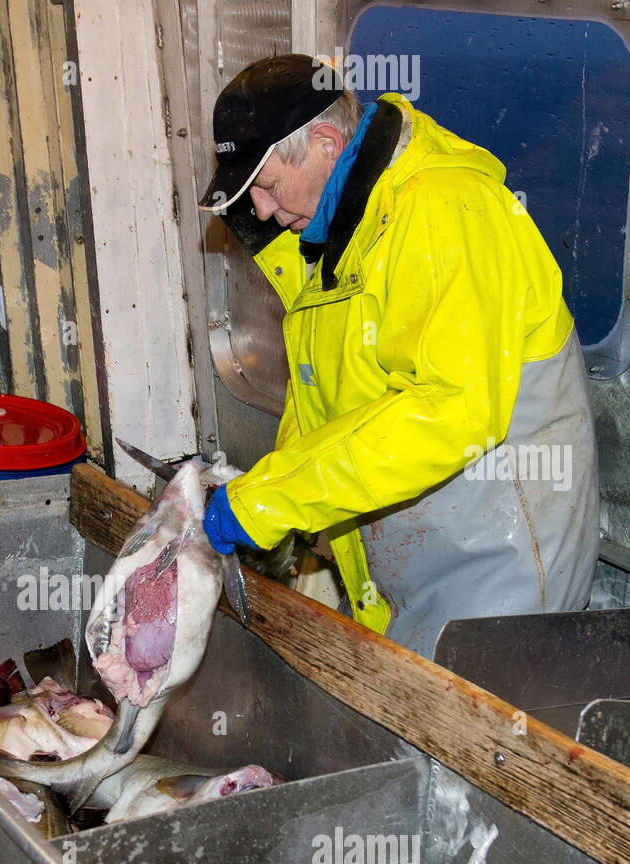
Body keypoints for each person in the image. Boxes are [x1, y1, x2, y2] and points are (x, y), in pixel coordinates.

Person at [197, 54, 599, 658]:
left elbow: (447, 411)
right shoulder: (333, 238)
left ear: (327, 142)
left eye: (268, 186)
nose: (257, 212)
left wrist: (272, 499)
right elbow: (321, 404)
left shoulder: (447, 211)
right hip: (416, 561)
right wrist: (282, 508)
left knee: (474, 748)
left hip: (500, 566)